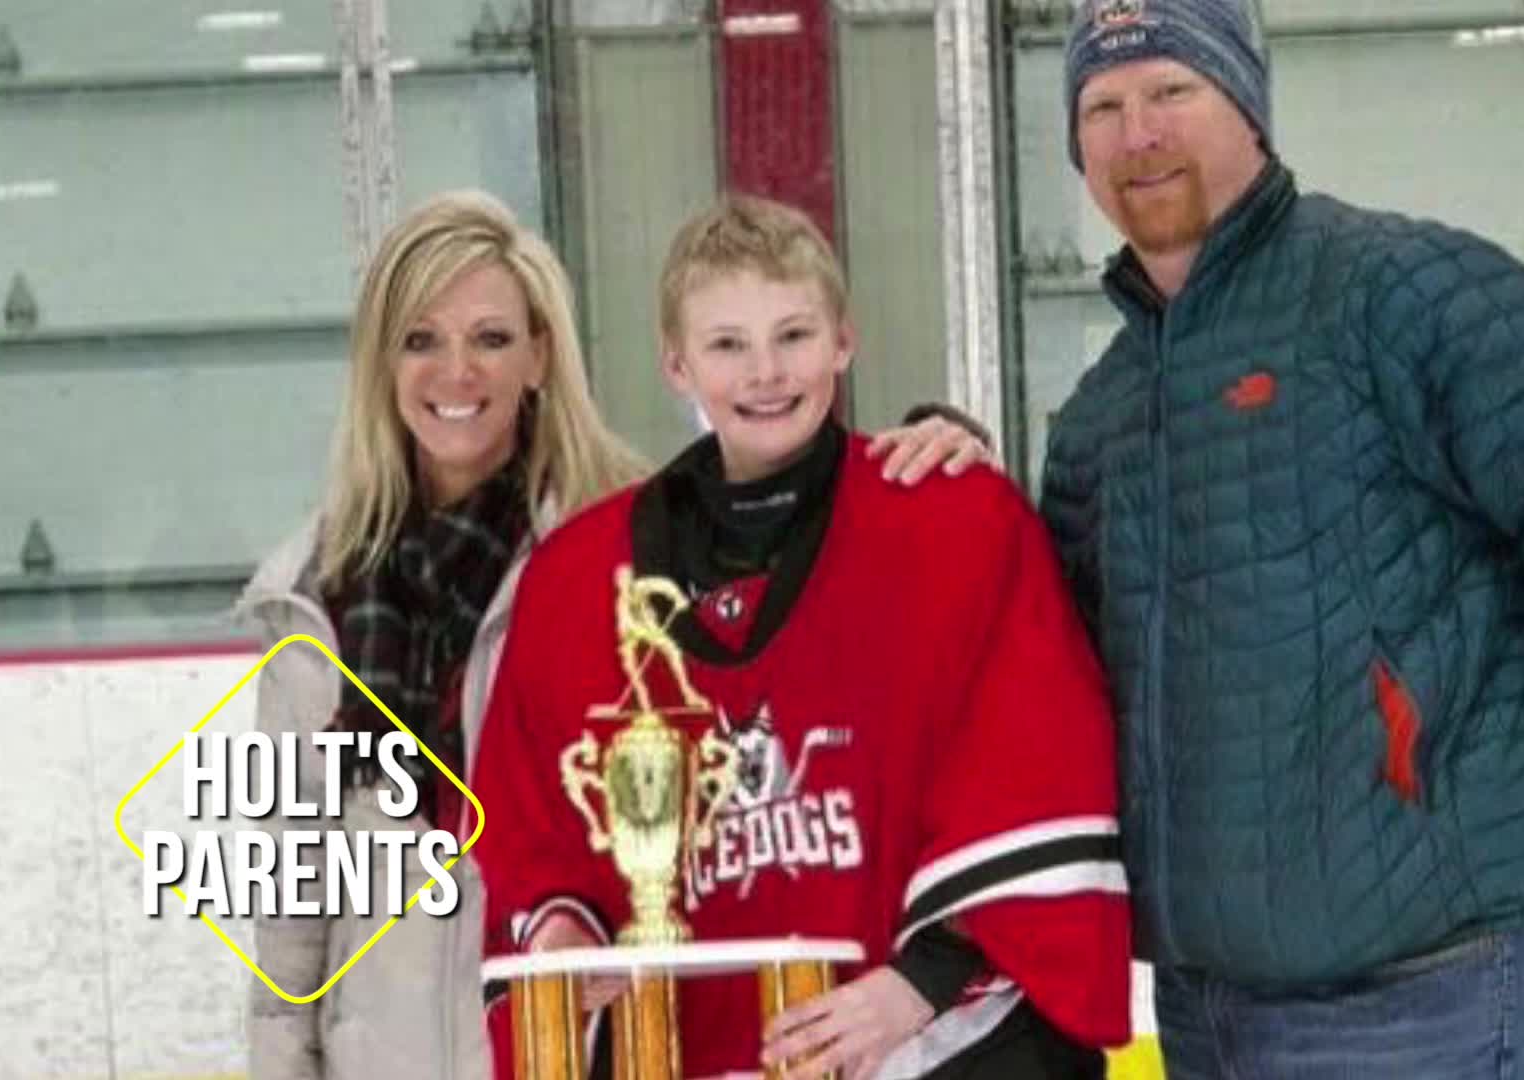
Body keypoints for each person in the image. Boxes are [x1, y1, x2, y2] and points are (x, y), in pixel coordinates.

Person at [1040, 1, 1524, 1076]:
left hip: (1434, 986)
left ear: (1250, 107)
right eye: (1104, 105)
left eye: (1173, 90)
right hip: (1208, 1009)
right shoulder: (1098, 422)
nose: (1139, 134)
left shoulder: (1398, 294)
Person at [235, 189, 993, 1080]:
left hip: (592, 1049)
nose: (456, 374)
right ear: (380, 364)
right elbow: (290, 902)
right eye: (420, 340)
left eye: (490, 338)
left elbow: (818, 579)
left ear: (541, 355)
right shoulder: (310, 600)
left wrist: (937, 460)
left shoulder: (639, 548)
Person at [471, 194, 1133, 1079]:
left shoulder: (957, 524)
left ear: (843, 342)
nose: (766, 373)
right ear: (677, 364)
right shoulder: (578, 583)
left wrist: (918, 984)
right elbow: (527, 819)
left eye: (794, 335)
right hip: (711, 1048)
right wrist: (561, 932)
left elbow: (1041, 761)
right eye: (727, 345)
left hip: (941, 1047)